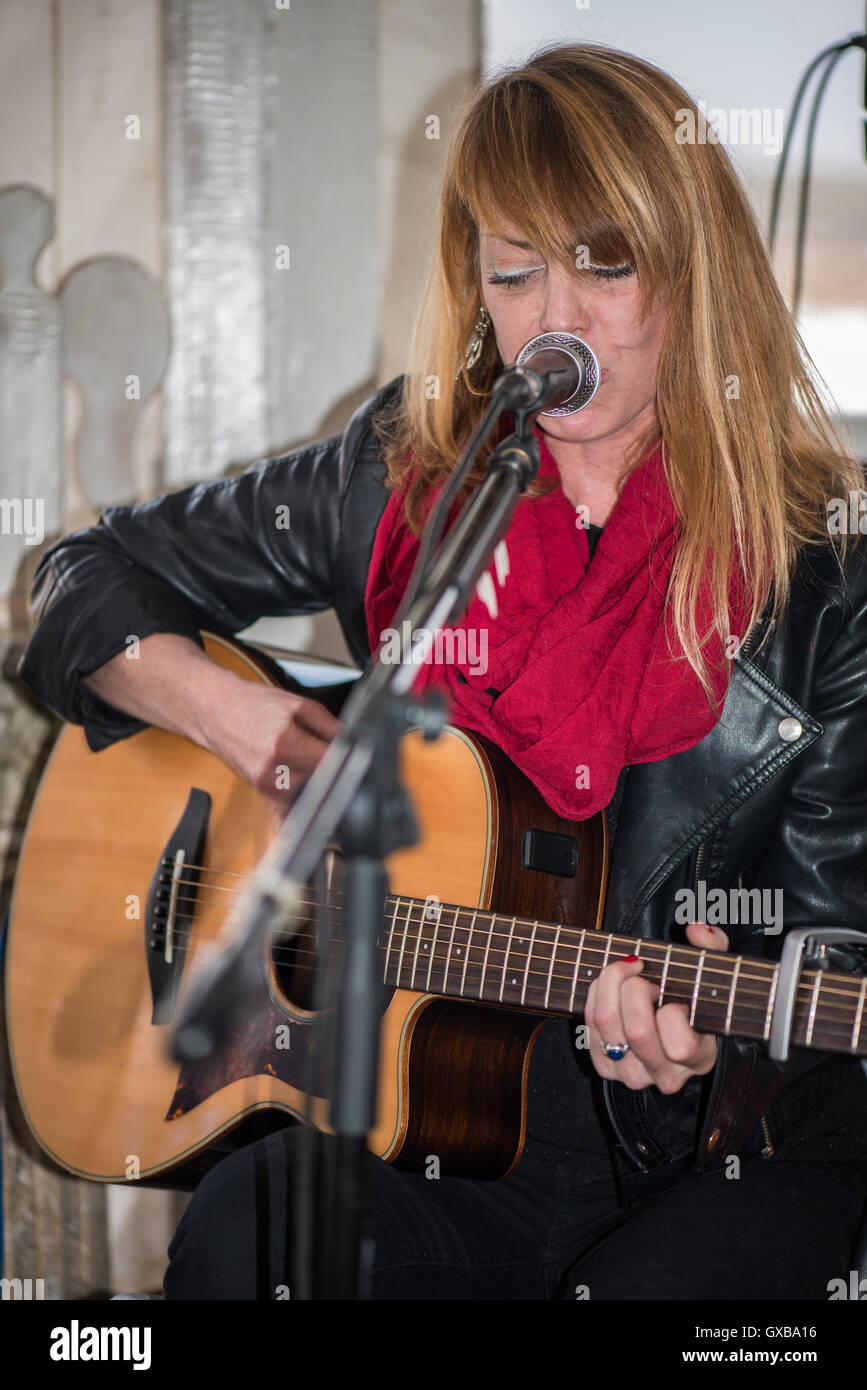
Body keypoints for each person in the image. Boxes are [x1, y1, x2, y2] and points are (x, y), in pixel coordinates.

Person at [17, 42, 867, 1301]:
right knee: (255, 1232)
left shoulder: (825, 582)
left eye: (604, 266)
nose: (554, 319)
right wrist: (258, 729)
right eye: (514, 273)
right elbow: (74, 580)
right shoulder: (406, 478)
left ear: (692, 274)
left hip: (711, 1151)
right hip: (438, 1126)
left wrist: (710, 1058)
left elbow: (832, 960)